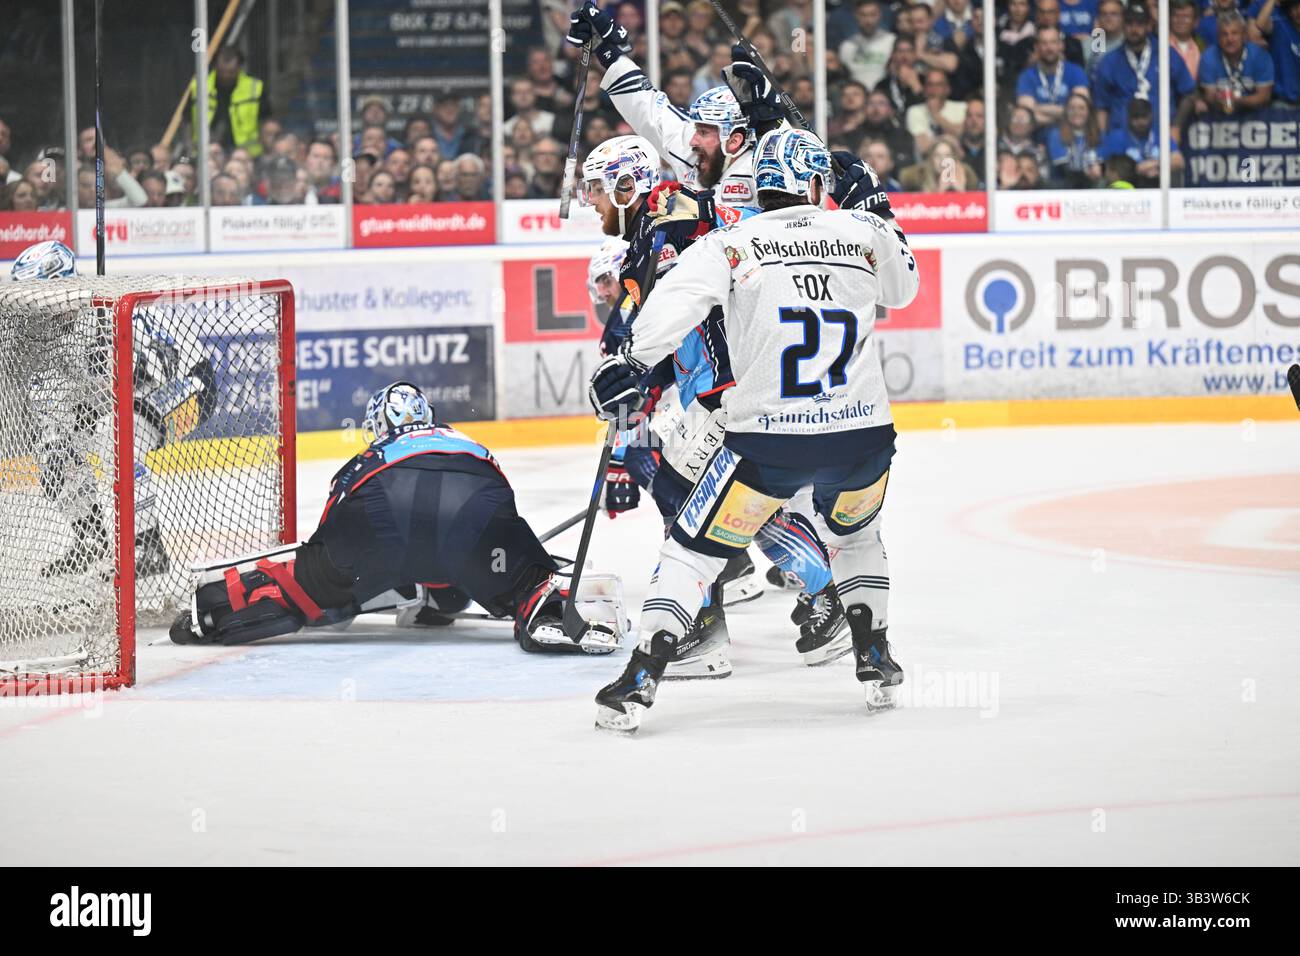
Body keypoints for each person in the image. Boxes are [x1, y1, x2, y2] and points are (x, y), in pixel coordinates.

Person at [587, 128, 919, 732]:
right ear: (818, 184)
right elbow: (905, 288)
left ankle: (640, 677)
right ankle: (875, 655)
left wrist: (629, 362)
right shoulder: (860, 232)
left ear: (760, 188)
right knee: (860, 537)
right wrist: (875, 206)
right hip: (864, 438)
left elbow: (676, 301)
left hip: (768, 444)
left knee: (690, 551)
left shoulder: (731, 243)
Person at [172, 382, 621, 655]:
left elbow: (338, 505)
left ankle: (214, 607)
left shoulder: (374, 452)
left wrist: (326, 571)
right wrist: (501, 560)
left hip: (376, 518)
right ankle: (542, 604)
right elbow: (501, 498)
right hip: (476, 514)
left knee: (304, 581)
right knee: (516, 576)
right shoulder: (462, 439)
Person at [11, 240, 216, 581]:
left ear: (63, 285)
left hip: (191, 385)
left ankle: (148, 547)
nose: (33, 307)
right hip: (122, 394)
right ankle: (91, 539)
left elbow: (166, 361)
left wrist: (126, 361)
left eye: (38, 295)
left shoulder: (110, 309)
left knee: (114, 438)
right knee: (52, 449)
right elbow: (60, 395)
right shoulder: (49, 332)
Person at [189, 47, 267, 158]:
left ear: (240, 68)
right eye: (222, 72)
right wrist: (189, 148)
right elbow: (187, 120)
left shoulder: (254, 87)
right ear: (215, 66)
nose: (226, 76)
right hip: (207, 152)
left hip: (246, 154)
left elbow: (265, 121)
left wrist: (265, 148)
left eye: (231, 72)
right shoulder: (199, 87)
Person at [1198, 11, 1275, 114]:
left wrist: (1237, 101)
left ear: (1244, 36)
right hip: (1220, 114)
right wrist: (1219, 100)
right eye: (1224, 34)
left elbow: (1264, 97)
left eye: (1234, 33)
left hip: (1255, 115)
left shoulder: (1259, 56)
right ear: (1218, 38)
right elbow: (1210, 96)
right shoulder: (1208, 57)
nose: (1230, 39)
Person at [1016, 27, 1091, 128]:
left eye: (1053, 42)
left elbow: (1081, 110)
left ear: (1061, 46)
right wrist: (1067, 113)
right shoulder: (1026, 76)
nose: (1049, 48)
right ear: (1036, 47)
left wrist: (1038, 108)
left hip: (1070, 136)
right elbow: (1027, 115)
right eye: (1044, 43)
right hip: (1036, 138)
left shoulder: (1076, 72)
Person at [1099, 97, 1183, 187]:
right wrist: (1136, 170)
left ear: (1151, 115)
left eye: (1144, 117)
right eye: (1136, 117)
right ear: (1129, 117)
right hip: (1128, 191)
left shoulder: (1160, 136)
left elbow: (1179, 161)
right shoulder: (1116, 137)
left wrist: (1157, 164)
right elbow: (1104, 168)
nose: (1140, 121)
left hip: (1158, 186)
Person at [1253, 0, 1300, 108]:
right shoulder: (1279, 25)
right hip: (1281, 101)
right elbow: (1260, 23)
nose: (1298, 12)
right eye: (1293, 8)